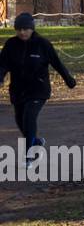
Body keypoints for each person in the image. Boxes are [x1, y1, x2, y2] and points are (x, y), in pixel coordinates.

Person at [0, 12, 77, 165]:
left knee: (29, 118)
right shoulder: (11, 45)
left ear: (32, 29)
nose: (22, 32)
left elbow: (57, 63)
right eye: (19, 29)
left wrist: (69, 80)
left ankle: (29, 156)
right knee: (20, 120)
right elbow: (2, 65)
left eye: (25, 29)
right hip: (18, 90)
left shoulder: (43, 44)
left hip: (38, 89)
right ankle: (35, 141)